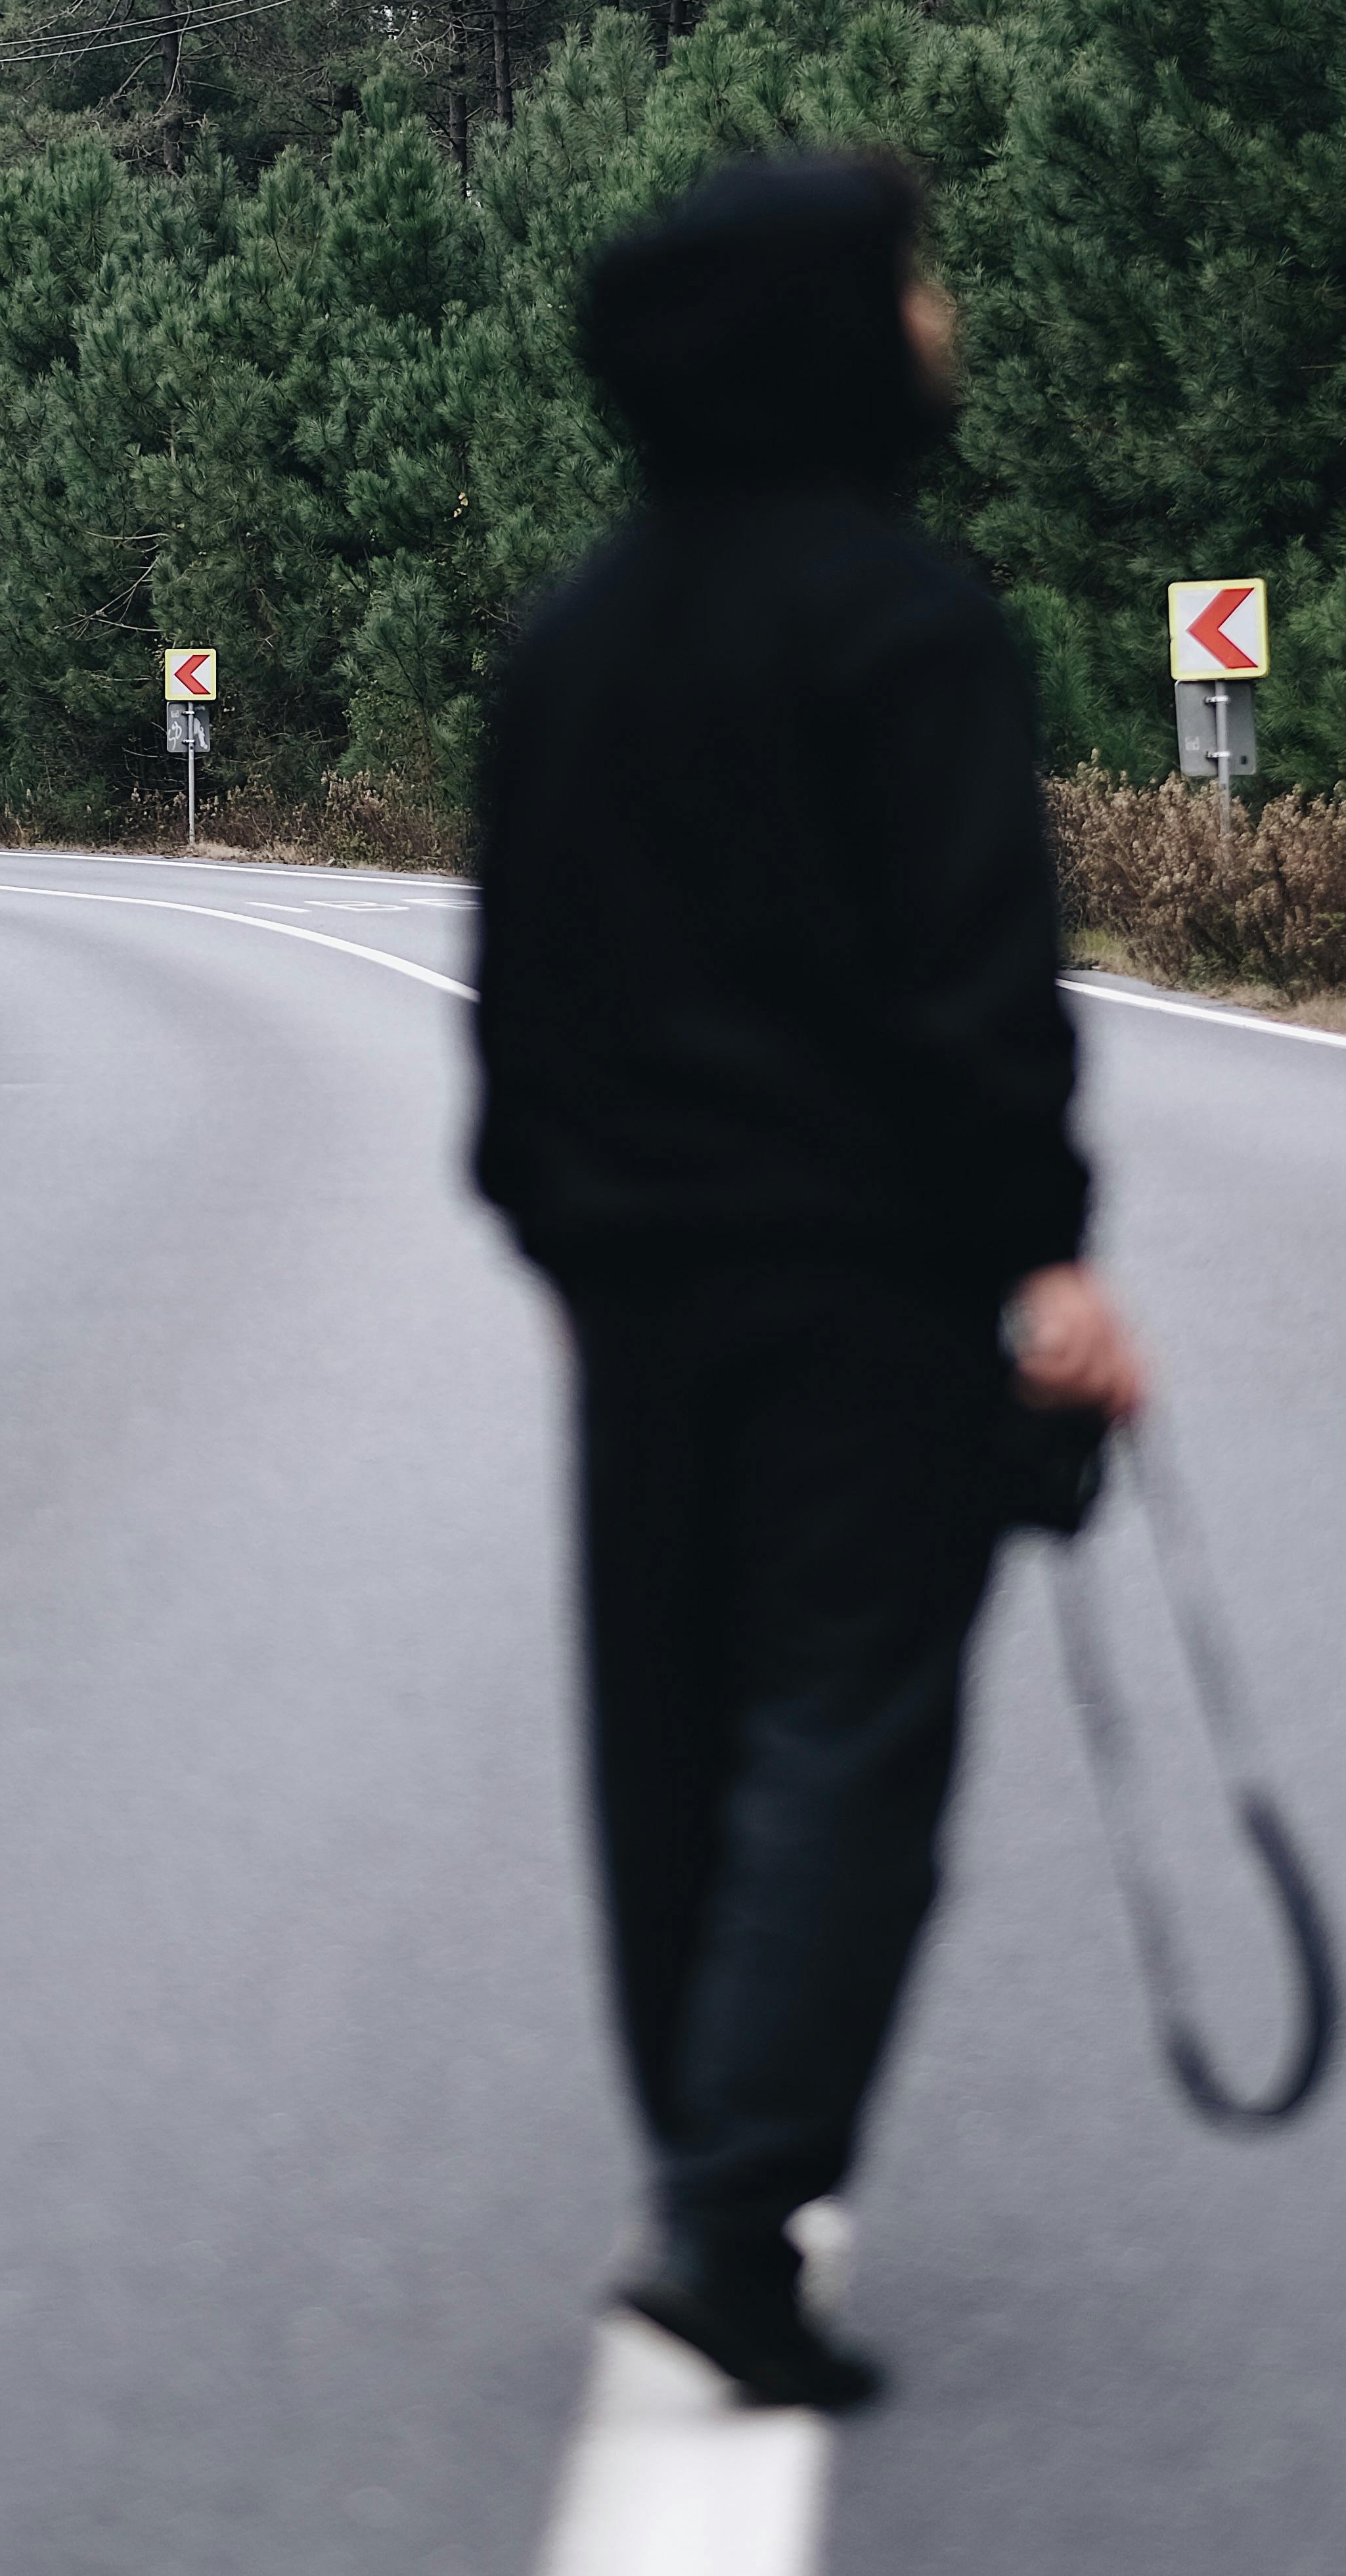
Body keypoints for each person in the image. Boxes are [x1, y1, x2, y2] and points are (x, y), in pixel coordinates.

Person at [473, 148, 1144, 2414]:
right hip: (868, 1292)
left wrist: (571, 1244)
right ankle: (737, 2206)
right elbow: (980, 1003)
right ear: (823, 339)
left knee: (663, 1734)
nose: (940, 317)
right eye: (912, 284)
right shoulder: (908, 624)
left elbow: (520, 1017)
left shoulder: (570, 640)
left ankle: (706, 2173)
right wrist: (1045, 1264)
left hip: (635, 1302)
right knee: (845, 1731)